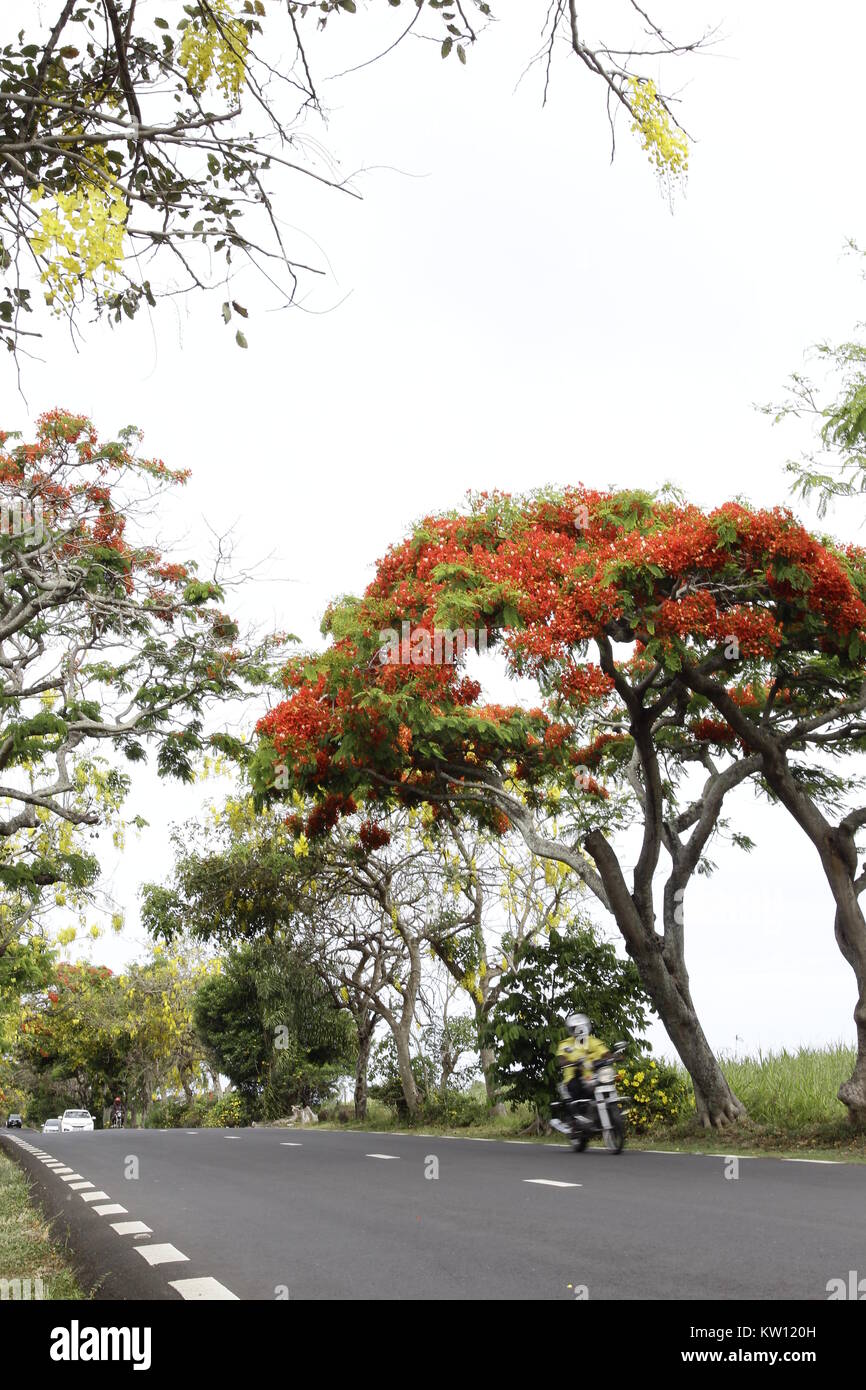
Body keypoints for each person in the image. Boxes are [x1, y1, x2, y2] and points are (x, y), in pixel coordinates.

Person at [555, 1013, 609, 1128]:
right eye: (575, 1028)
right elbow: (561, 1060)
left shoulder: (593, 1041)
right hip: (573, 1077)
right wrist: (572, 1063)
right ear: (571, 1029)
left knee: (608, 1084)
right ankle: (573, 1120)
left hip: (594, 1076)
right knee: (576, 1087)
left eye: (581, 1027)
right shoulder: (565, 1044)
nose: (579, 1030)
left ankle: (608, 1114)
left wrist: (613, 1057)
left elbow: (605, 1053)